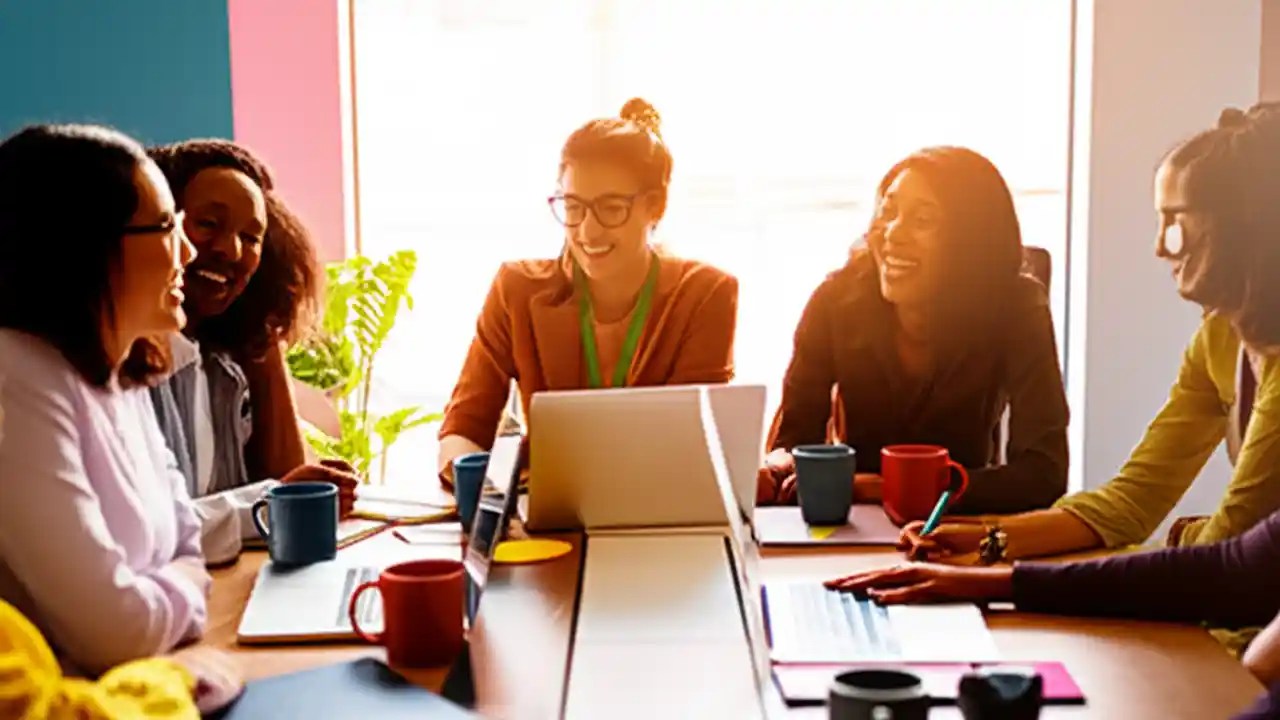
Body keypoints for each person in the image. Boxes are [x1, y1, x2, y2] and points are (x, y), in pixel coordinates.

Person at [897, 105, 1280, 565]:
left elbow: (1227, 556)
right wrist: (985, 541)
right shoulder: (1219, 339)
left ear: (1239, 223)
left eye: (1176, 221)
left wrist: (1000, 578)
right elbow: (1130, 500)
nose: (1160, 246)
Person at [436, 98, 739, 486]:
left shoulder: (704, 294)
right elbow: (463, 428)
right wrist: (477, 481)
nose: (588, 231)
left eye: (611, 208)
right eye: (573, 206)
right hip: (550, 519)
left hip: (659, 515)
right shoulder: (518, 291)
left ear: (656, 208)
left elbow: (696, 448)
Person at [757, 146, 1069, 513]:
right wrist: (778, 465)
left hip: (959, 523)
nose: (893, 234)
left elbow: (1043, 474)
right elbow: (797, 439)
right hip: (851, 523)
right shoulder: (836, 300)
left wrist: (892, 488)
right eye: (887, 212)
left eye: (922, 221)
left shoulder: (1016, 307)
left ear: (972, 242)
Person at [0, 124, 208, 673]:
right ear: (84, 246)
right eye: (167, 226)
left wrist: (168, 589)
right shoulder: (14, 379)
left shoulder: (118, 370)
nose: (187, 250)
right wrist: (183, 591)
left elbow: (191, 547)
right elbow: (115, 633)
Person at [146, 140, 356, 564]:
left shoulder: (222, 369)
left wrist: (264, 321)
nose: (232, 250)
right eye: (208, 224)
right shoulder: (125, 368)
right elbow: (149, 534)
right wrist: (273, 500)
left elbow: (282, 486)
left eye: (251, 238)